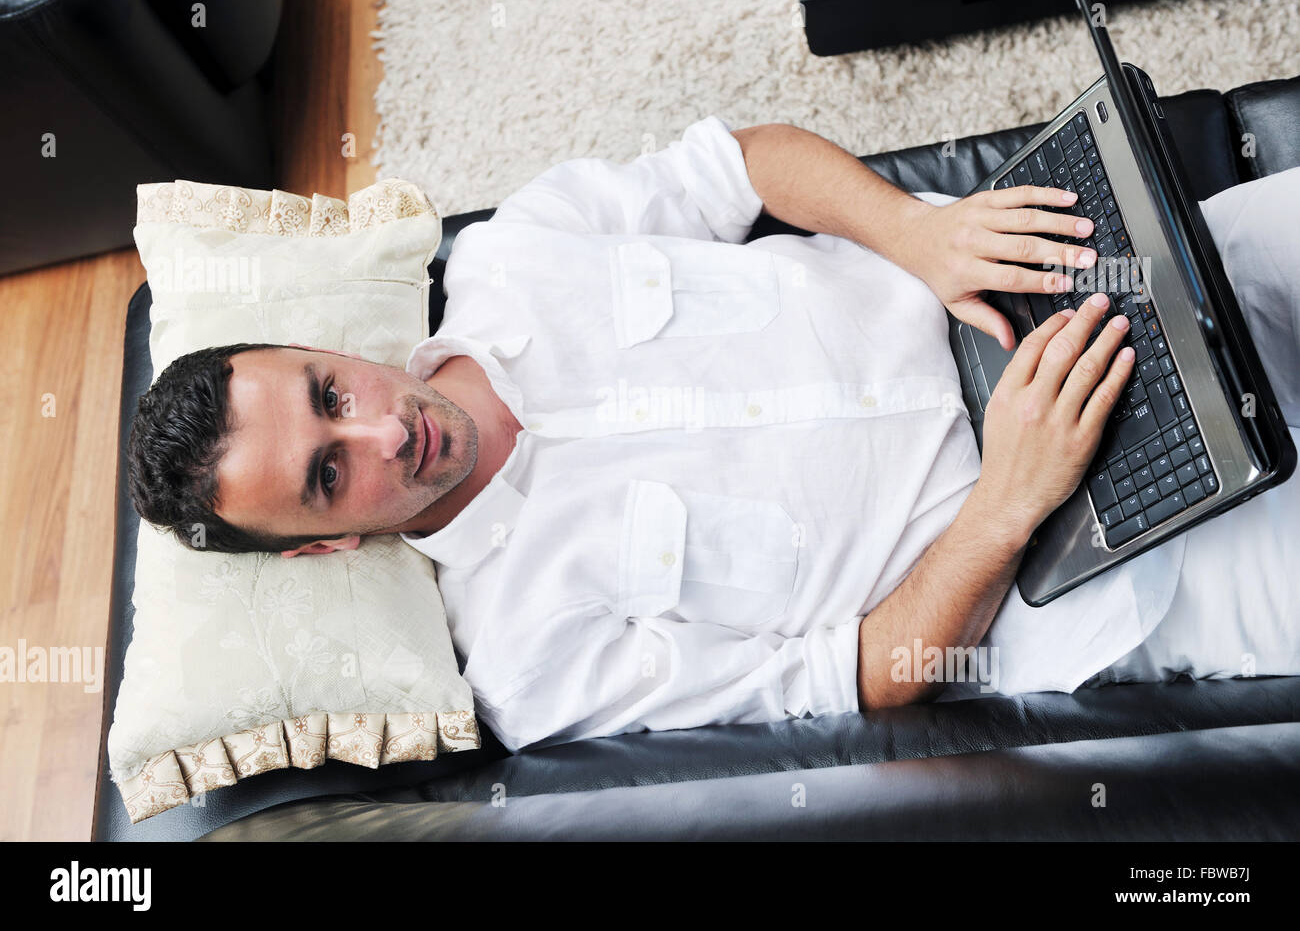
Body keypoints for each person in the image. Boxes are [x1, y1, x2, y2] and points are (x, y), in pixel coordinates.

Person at [127, 117, 1300, 751]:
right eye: (331, 474)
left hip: (1072, 282)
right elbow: (859, 677)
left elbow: (743, 162)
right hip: (1121, 560)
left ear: (323, 348)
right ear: (321, 547)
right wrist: (1010, 497)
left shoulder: (515, 253)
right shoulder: (532, 661)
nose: (387, 427)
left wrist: (916, 234)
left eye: (333, 391)